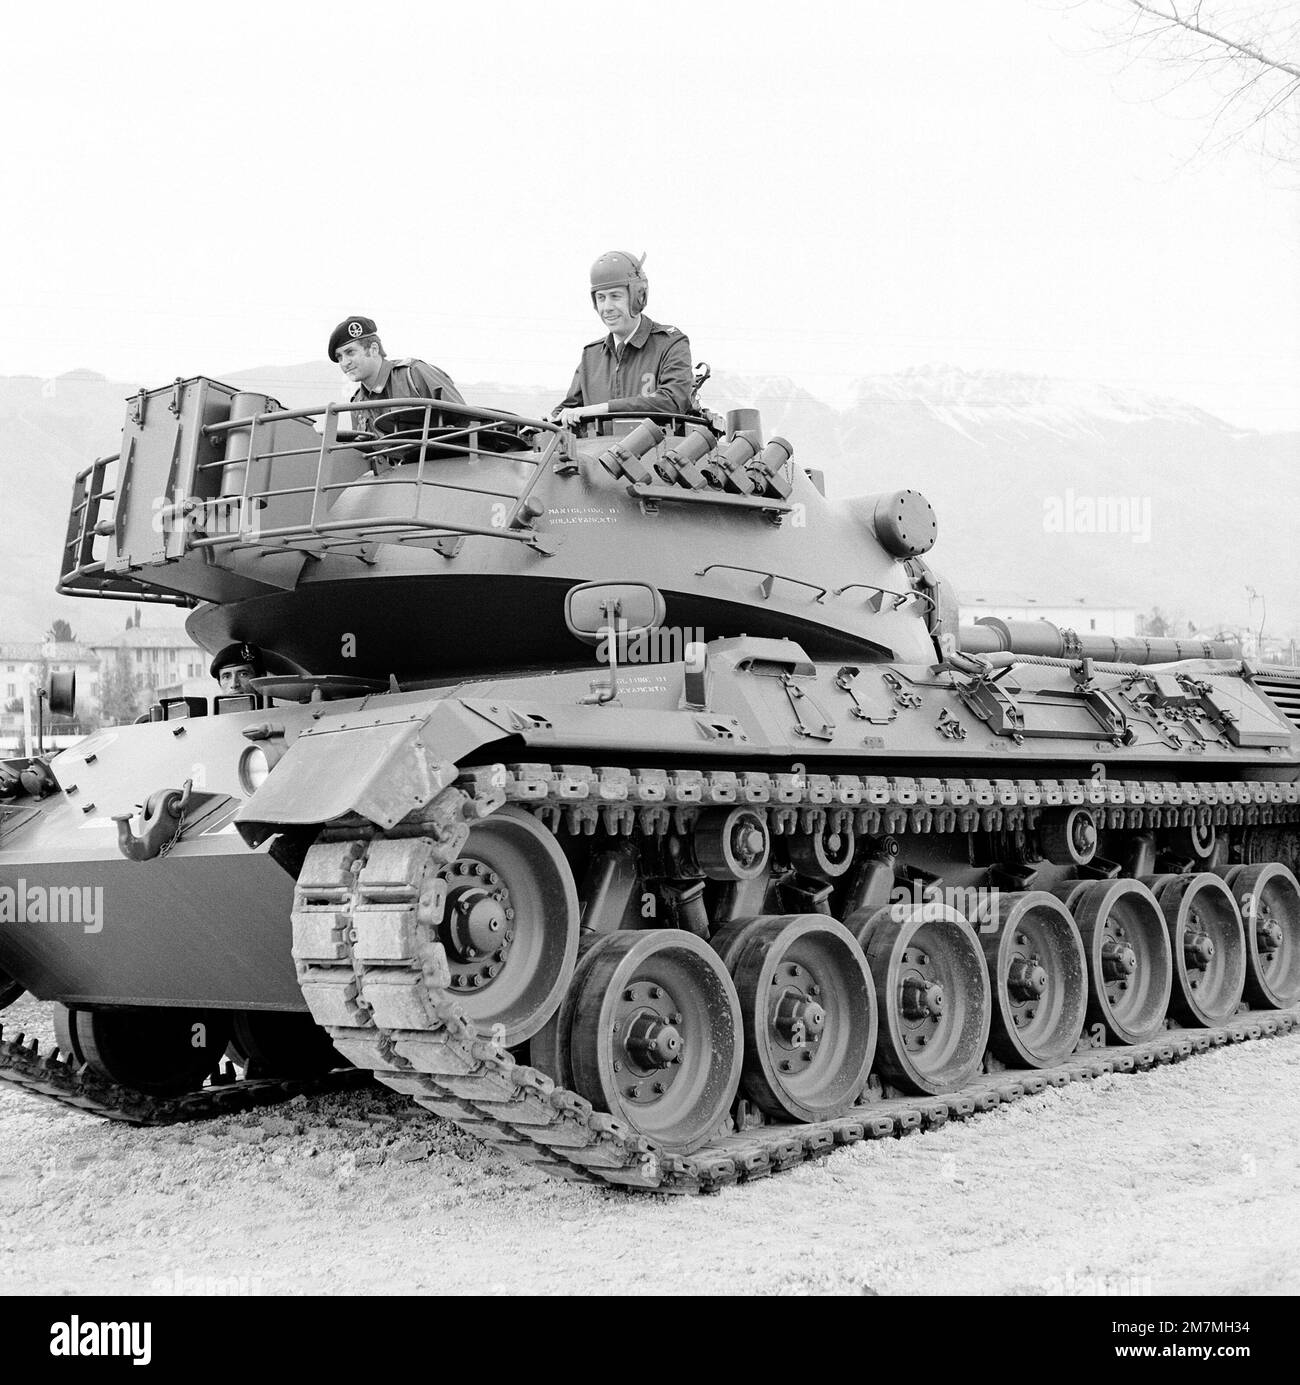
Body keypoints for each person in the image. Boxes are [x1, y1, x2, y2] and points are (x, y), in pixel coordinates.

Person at [554, 252, 695, 427]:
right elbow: (567, 410)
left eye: (615, 296)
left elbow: (673, 401)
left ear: (638, 297)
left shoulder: (670, 344)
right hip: (594, 452)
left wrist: (601, 409)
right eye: (601, 298)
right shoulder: (591, 356)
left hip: (655, 450)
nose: (607, 307)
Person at [327, 315, 465, 432]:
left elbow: (466, 422)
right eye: (339, 357)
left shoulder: (414, 374)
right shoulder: (357, 403)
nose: (344, 363)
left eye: (350, 352)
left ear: (373, 350)